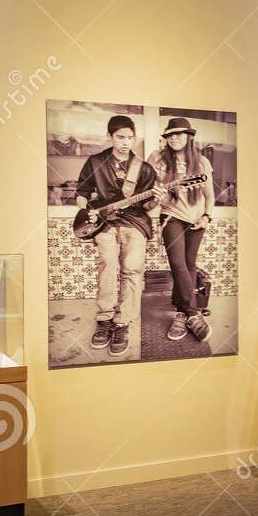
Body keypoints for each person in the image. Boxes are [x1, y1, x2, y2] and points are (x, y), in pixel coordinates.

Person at [74, 113, 158, 357]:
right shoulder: (95, 162)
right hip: (103, 223)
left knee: (132, 271)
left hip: (135, 222)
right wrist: (85, 211)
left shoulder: (144, 168)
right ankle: (105, 318)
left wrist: (157, 200)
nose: (125, 142)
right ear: (109, 137)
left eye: (130, 138)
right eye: (120, 137)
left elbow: (148, 206)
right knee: (107, 266)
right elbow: (82, 191)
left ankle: (122, 323)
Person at [149, 116, 217, 343]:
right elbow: (149, 189)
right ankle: (192, 313)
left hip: (197, 219)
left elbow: (210, 195)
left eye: (178, 134)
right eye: (169, 135)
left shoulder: (202, 162)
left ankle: (180, 312)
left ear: (189, 137)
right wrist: (157, 194)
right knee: (178, 264)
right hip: (171, 215)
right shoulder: (157, 158)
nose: (173, 138)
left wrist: (207, 217)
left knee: (189, 264)